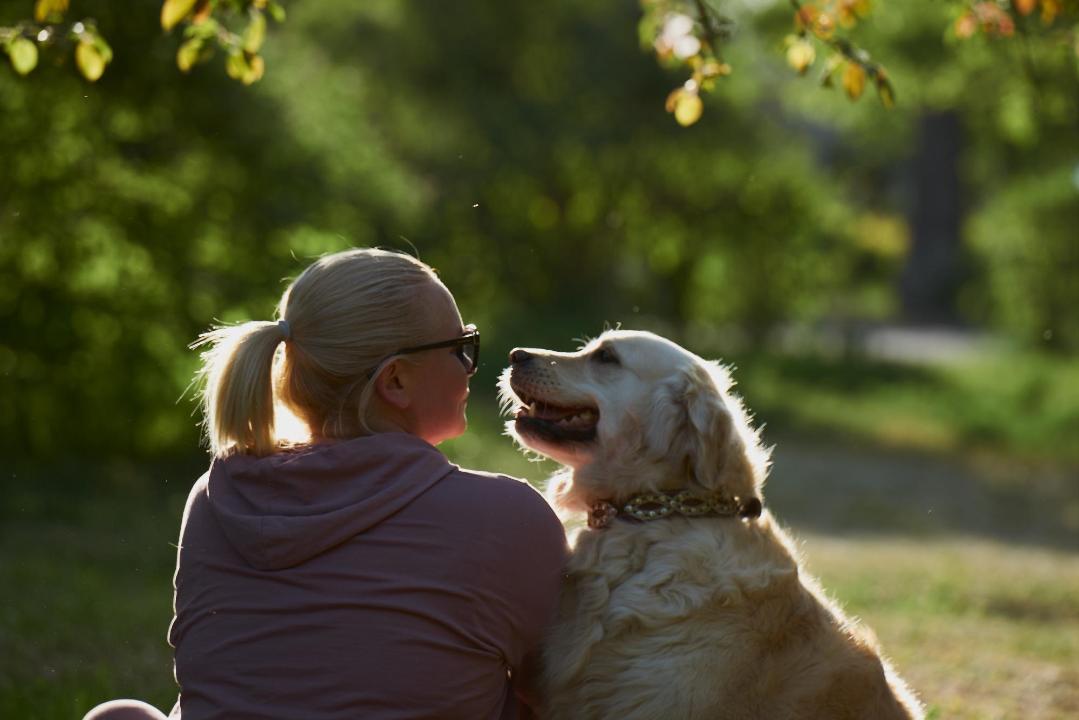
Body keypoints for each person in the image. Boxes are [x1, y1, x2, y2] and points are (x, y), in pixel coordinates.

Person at [83, 248, 567, 720]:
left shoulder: (215, 499)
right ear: (395, 381)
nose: (469, 367)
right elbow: (556, 687)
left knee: (119, 714)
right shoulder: (506, 517)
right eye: (460, 350)